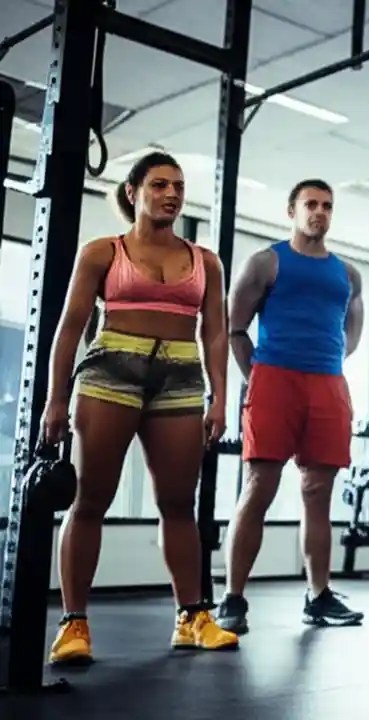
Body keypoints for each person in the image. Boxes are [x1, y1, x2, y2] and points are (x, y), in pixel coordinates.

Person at [43, 151, 239, 664]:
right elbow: (69, 328)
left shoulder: (206, 262)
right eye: (159, 185)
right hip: (112, 371)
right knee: (91, 500)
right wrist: (55, 398)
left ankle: (192, 616)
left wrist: (220, 397)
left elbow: (215, 333)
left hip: (180, 376)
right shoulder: (102, 253)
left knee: (179, 503)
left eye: (177, 186)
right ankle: (73, 624)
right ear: (133, 193)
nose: (171, 194)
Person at [214, 179, 365, 633]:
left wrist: (331, 360)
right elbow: (235, 327)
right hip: (274, 379)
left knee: (318, 493)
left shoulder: (349, 274)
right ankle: (233, 599)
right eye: (311, 204)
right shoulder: (267, 262)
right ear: (291, 210)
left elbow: (352, 332)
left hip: (327, 384)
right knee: (259, 484)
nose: (319, 212)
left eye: (327, 206)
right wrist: (258, 375)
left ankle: (318, 596)